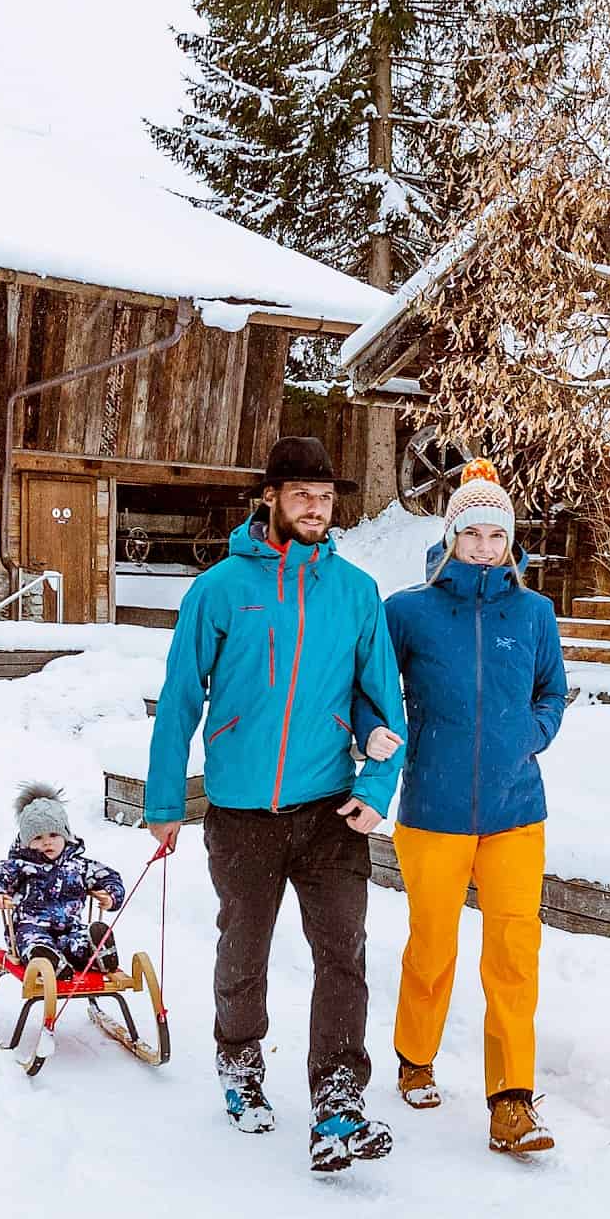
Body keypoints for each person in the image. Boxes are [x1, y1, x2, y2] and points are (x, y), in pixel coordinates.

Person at [145, 435, 407, 1175]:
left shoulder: (356, 592)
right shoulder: (221, 589)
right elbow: (178, 701)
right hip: (241, 812)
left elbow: (381, 704)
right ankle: (240, 1064)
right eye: (301, 495)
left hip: (329, 809)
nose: (316, 507)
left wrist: (374, 791)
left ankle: (339, 1099)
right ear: (270, 498)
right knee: (245, 948)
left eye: (324, 497)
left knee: (342, 954)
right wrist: (165, 798)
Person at [383, 465, 569, 1155]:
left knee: (515, 951)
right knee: (433, 945)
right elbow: (372, 688)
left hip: (516, 809)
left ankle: (511, 1100)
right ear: (451, 536)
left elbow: (552, 692)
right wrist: (390, 738)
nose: (486, 546)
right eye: (473, 533)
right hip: (432, 808)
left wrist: (529, 736)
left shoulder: (534, 613)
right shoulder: (408, 611)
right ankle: (415, 1054)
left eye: (498, 535)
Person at [0, 781, 126, 977]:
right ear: (26, 842)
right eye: (37, 838)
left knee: (79, 940)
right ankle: (47, 962)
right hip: (30, 928)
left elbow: (109, 877)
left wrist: (111, 895)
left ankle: (96, 952)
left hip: (70, 928)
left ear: (65, 836)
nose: (47, 842)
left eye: (53, 834)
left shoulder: (79, 866)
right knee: (33, 943)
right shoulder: (19, 866)